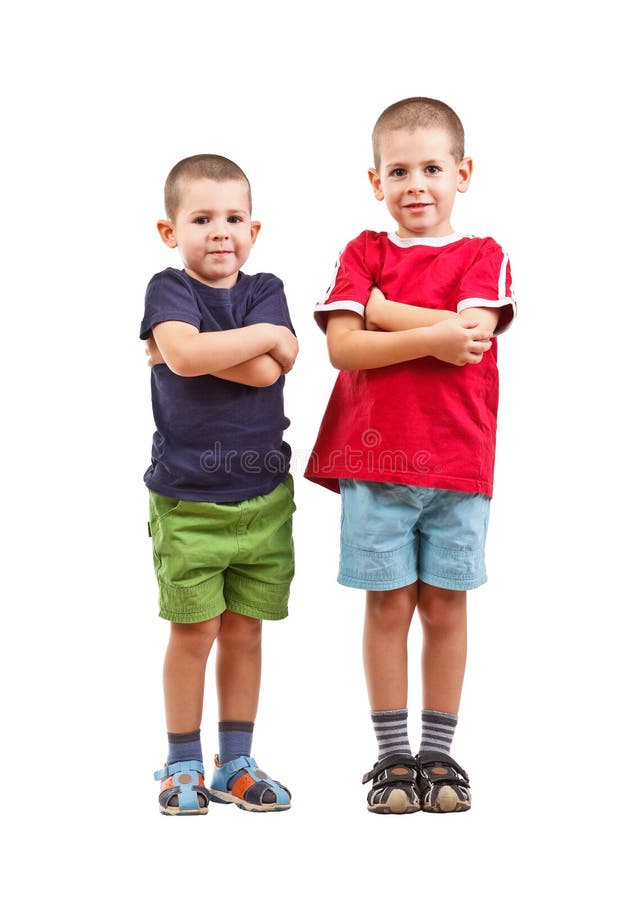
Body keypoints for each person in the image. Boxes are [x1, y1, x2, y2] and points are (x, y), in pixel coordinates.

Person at [305, 98, 515, 815]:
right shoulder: (363, 252)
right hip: (377, 465)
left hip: (457, 463)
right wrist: (433, 332)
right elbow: (343, 348)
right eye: (398, 171)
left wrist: (383, 311)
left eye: (431, 168)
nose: (415, 184)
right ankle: (393, 756)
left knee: (447, 608)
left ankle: (440, 753)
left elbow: (472, 338)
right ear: (375, 181)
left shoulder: (484, 255)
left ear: (463, 172)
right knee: (389, 605)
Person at [141, 154, 298, 816]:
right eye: (201, 218)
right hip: (188, 499)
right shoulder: (168, 289)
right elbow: (188, 355)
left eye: (234, 218)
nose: (219, 232)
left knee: (244, 630)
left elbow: (272, 368)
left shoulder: (265, 289)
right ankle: (181, 762)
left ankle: (234, 762)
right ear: (169, 230)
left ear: (253, 230)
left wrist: (203, 349)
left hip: (264, 499)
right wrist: (251, 344)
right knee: (195, 628)